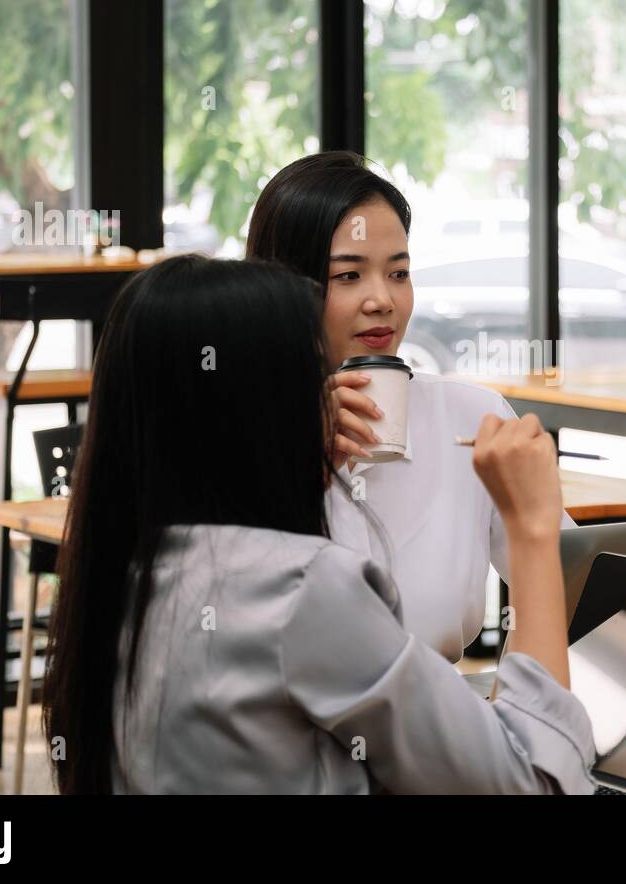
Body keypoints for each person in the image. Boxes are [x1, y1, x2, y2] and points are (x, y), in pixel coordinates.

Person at [42, 255, 596, 793]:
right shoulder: (302, 591)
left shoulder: (122, 573)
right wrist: (532, 530)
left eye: (399, 271)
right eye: (313, 379)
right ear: (261, 408)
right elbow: (536, 782)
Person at [246, 151, 574, 661]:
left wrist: (505, 710)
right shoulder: (237, 430)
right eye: (348, 276)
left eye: (398, 274)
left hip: (436, 729)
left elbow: (578, 592)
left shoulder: (470, 417)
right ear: (281, 285)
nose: (383, 300)